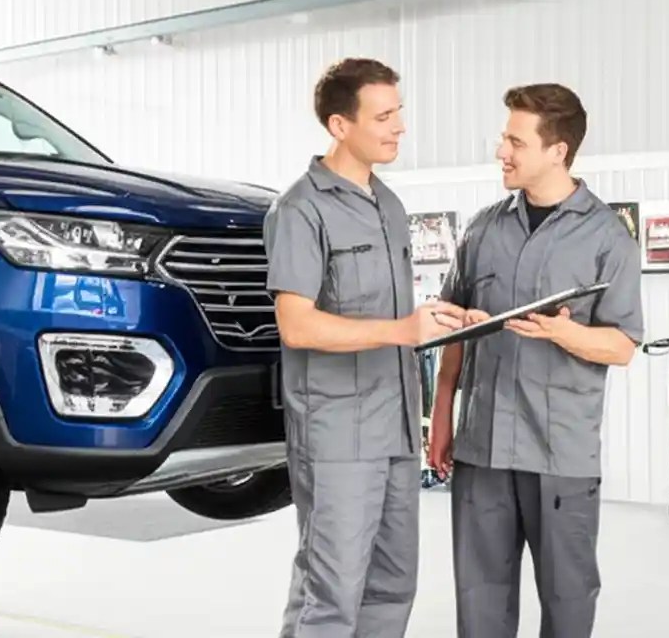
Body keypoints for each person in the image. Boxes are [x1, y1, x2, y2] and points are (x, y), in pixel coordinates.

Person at [426, 83, 645, 638]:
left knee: (568, 601)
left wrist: (561, 334)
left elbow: (621, 345)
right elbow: (454, 324)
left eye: (515, 141)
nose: (501, 151)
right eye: (503, 138)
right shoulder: (483, 228)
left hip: (560, 453)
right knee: (479, 603)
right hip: (483, 449)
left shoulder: (606, 238)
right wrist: (442, 414)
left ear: (558, 151)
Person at [264, 57, 467, 638]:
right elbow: (297, 325)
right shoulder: (301, 209)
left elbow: (396, 316)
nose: (399, 125)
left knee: (391, 586)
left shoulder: (392, 207)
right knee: (330, 593)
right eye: (383, 115)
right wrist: (403, 330)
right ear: (339, 125)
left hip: (397, 429)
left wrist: (445, 321)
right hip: (337, 436)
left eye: (399, 112)